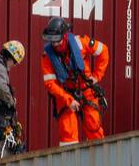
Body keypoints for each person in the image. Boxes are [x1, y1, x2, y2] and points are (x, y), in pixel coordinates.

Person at [40, 17, 110, 147]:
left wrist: (97, 76)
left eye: (57, 41)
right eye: (52, 41)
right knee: (67, 133)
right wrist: (68, 100)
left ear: (64, 35)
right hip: (65, 93)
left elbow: (104, 51)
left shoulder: (81, 42)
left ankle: (99, 162)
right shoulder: (47, 56)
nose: (54, 44)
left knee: (94, 128)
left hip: (87, 90)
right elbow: (50, 84)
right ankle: (68, 164)